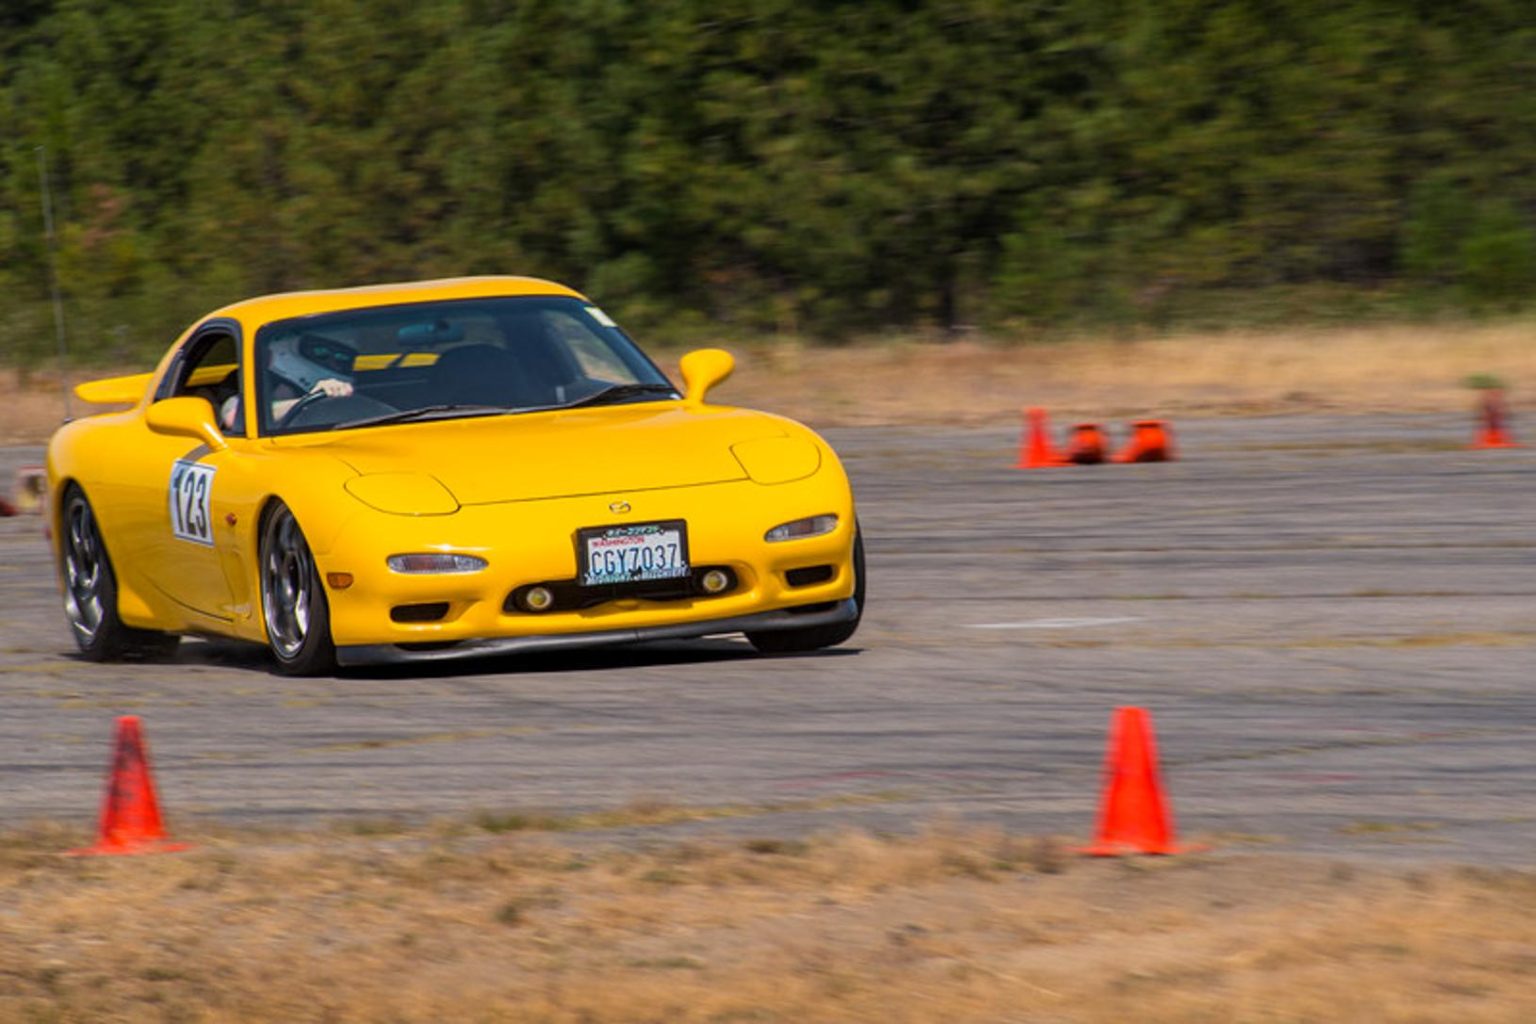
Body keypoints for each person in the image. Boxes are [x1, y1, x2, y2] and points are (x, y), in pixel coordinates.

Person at [219, 334, 355, 431]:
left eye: (342, 358)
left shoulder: (350, 390)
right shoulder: (251, 380)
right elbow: (234, 416)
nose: (333, 362)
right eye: (320, 352)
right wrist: (308, 400)